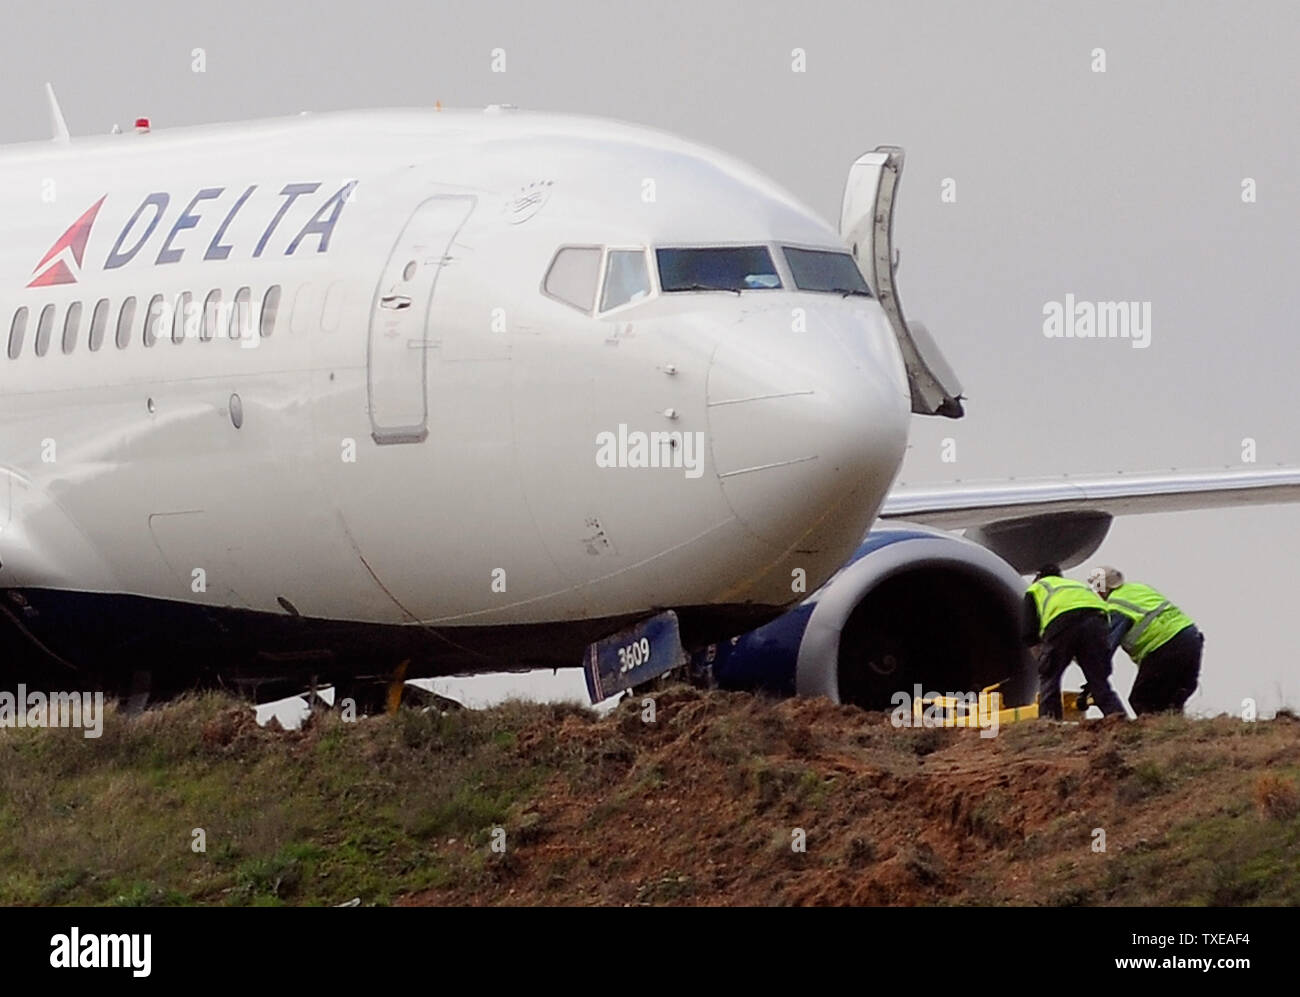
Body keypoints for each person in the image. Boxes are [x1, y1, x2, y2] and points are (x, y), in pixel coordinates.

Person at [1087, 566, 1203, 715]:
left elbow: (1105, 648)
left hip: (1164, 646)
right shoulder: (1139, 588)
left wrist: (1093, 674)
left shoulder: (1116, 606)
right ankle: (1174, 732)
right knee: (1172, 700)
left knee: (1141, 699)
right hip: (1191, 640)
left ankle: (1156, 735)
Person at [1024, 564, 1128, 719]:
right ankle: (1117, 717)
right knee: (1098, 680)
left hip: (1063, 622)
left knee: (1050, 678)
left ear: (1038, 578)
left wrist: (1043, 661)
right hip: (1097, 621)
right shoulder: (1076, 586)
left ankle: (1049, 721)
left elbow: (1029, 632)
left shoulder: (1036, 589)